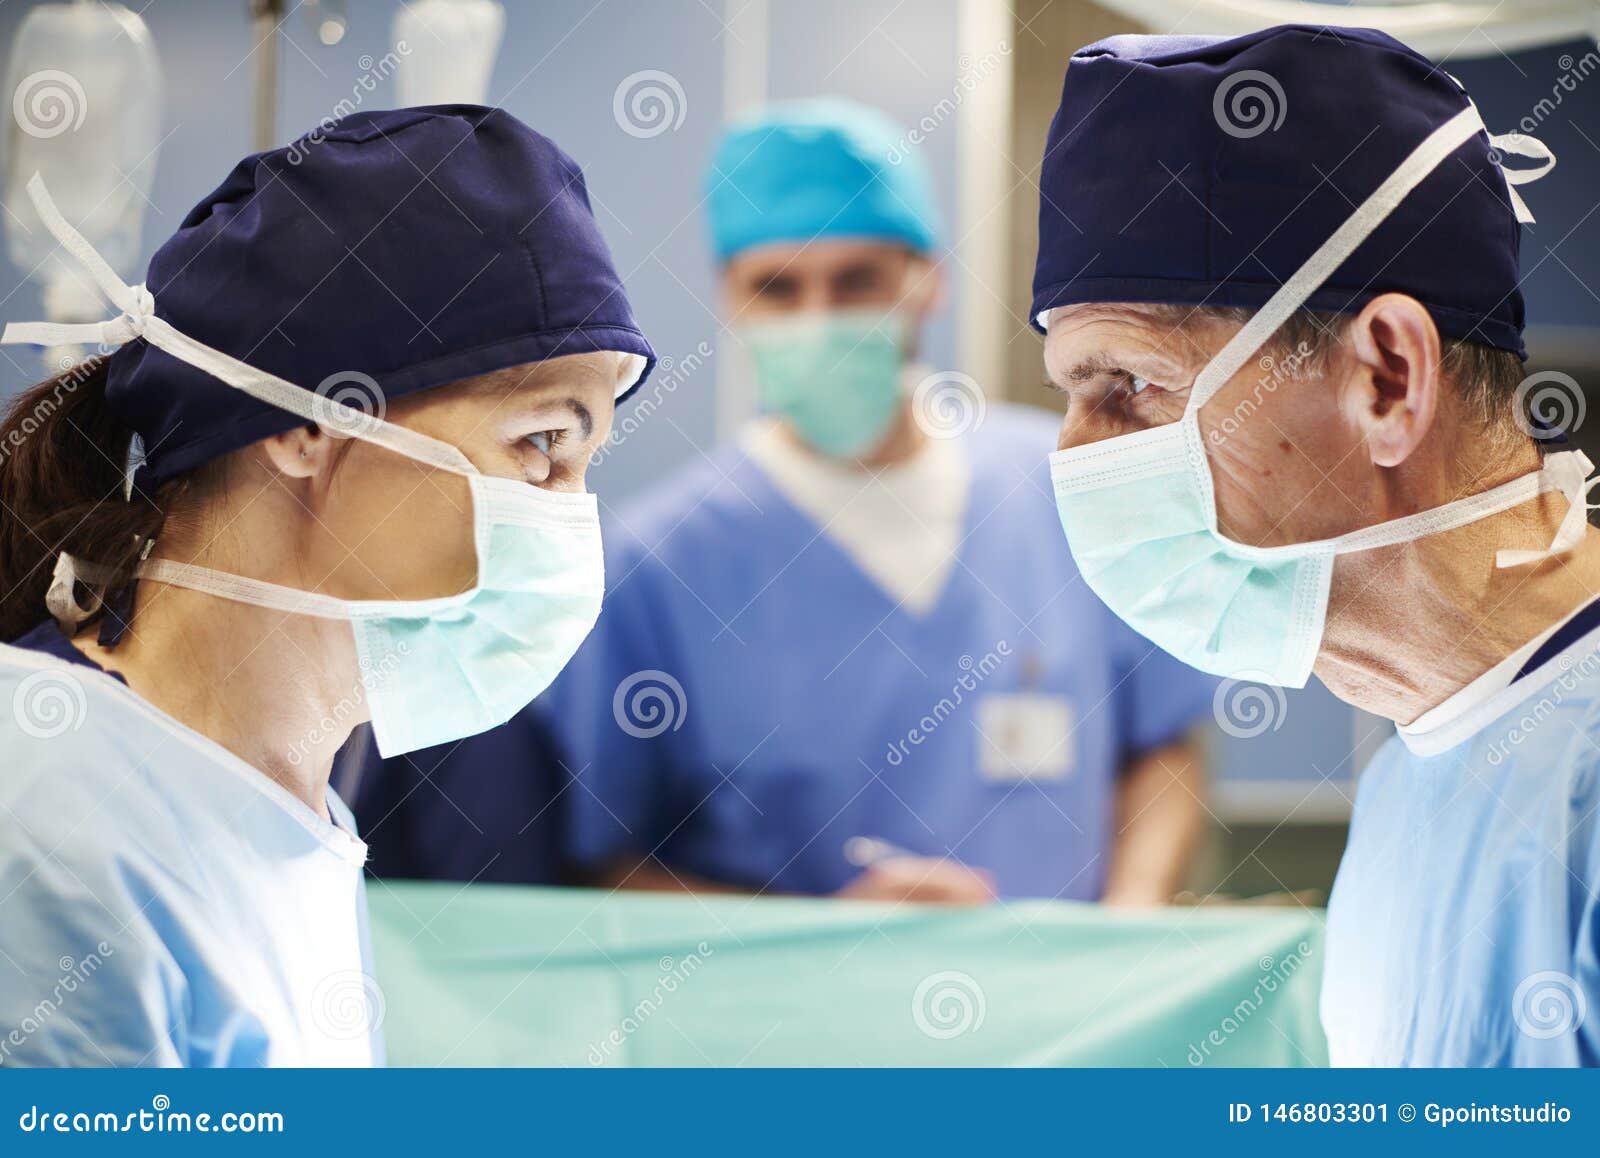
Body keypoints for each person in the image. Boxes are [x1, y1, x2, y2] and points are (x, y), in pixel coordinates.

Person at [0, 106, 654, 1066]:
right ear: (307, 422)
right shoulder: (51, 818)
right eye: (541, 444)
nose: (568, 517)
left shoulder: (294, 813)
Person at [1034, 25, 1594, 1065]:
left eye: (1129, 383)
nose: (1072, 456)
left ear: (1386, 378)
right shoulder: (1412, 781)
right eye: (1068, 393)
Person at [494, 96, 1213, 904]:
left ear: (928, 280)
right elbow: (607, 865)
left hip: (1068, 984)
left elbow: (1161, 743)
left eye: (856, 281)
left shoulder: (1066, 488)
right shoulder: (658, 563)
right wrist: (822, 945)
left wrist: (1125, 927)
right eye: (778, 288)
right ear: (731, 300)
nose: (820, 319)